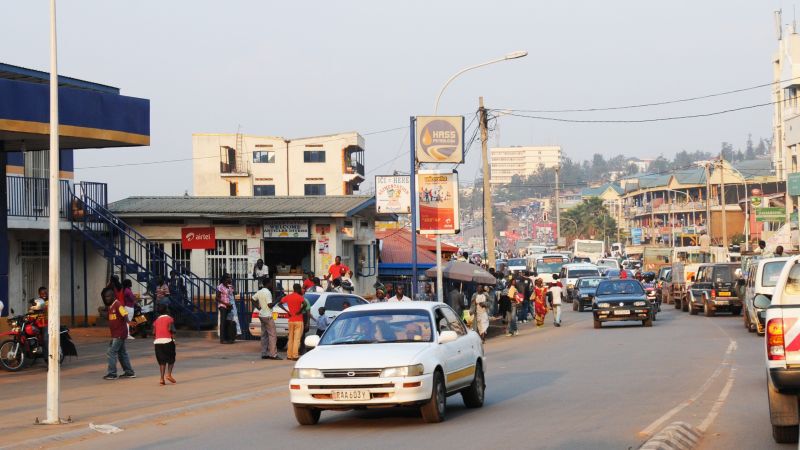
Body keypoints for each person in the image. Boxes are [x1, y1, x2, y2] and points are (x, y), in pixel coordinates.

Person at [102, 287, 135, 380]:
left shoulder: (117, 304)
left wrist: (128, 322)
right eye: (105, 297)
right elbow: (111, 317)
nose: (107, 298)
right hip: (116, 334)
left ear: (113, 296)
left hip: (119, 334)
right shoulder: (111, 306)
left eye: (108, 296)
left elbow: (124, 313)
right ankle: (129, 372)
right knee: (122, 353)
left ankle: (112, 373)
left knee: (111, 352)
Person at [253, 277, 280, 360]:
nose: (272, 284)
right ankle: (273, 354)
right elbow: (270, 305)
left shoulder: (260, 291)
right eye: (271, 283)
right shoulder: (268, 292)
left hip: (261, 315)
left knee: (264, 335)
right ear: (268, 283)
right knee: (272, 335)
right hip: (268, 316)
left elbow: (253, 299)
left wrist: (258, 307)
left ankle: (264, 353)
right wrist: (278, 300)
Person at [152, 303, 177, 385]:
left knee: (162, 361)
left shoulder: (156, 321)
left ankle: (162, 379)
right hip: (168, 341)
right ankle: (169, 374)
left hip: (158, 342)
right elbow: (172, 329)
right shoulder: (169, 319)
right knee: (171, 359)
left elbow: (153, 333)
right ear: (166, 310)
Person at [281, 284, 305, 361]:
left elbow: (279, 304)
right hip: (298, 320)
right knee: (297, 339)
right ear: (298, 289)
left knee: (290, 338)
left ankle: (289, 355)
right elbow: (305, 304)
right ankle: (295, 355)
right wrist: (300, 311)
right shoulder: (300, 297)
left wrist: (287, 311)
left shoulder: (288, 296)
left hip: (290, 320)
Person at [216, 274, 236, 344]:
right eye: (228, 279)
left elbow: (233, 294)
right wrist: (225, 303)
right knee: (223, 322)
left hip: (229, 306)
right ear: (224, 279)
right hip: (223, 306)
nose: (230, 280)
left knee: (228, 322)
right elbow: (217, 298)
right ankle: (222, 339)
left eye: (230, 279)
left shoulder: (229, 286)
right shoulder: (220, 286)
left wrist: (231, 286)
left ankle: (228, 337)